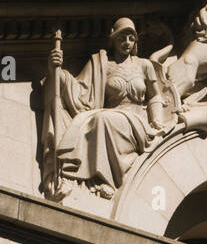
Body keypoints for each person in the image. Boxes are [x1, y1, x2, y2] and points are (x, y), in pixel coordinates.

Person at [46, 18, 170, 199]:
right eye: (122, 38)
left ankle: (104, 178)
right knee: (90, 121)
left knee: (100, 120)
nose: (126, 43)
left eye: (131, 38)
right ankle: (77, 176)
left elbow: (155, 96)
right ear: (113, 40)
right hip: (110, 114)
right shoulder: (101, 63)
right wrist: (57, 71)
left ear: (135, 41)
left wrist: (157, 121)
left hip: (138, 122)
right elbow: (80, 89)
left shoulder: (144, 65)